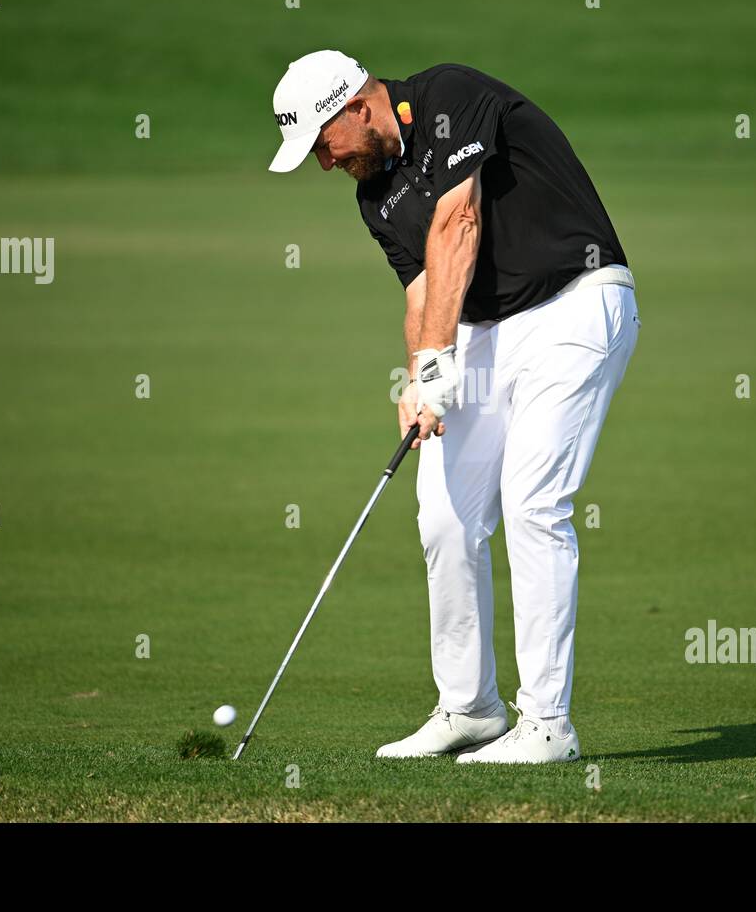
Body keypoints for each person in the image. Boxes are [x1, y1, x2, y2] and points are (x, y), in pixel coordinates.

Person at [268, 50, 639, 763]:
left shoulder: (450, 96)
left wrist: (437, 365)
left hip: (575, 305)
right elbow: (421, 291)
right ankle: (470, 708)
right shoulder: (374, 197)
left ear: (355, 107)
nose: (323, 163)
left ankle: (548, 725)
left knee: (534, 504)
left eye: (322, 144)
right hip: (482, 334)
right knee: (443, 514)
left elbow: (458, 223)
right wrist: (417, 383)